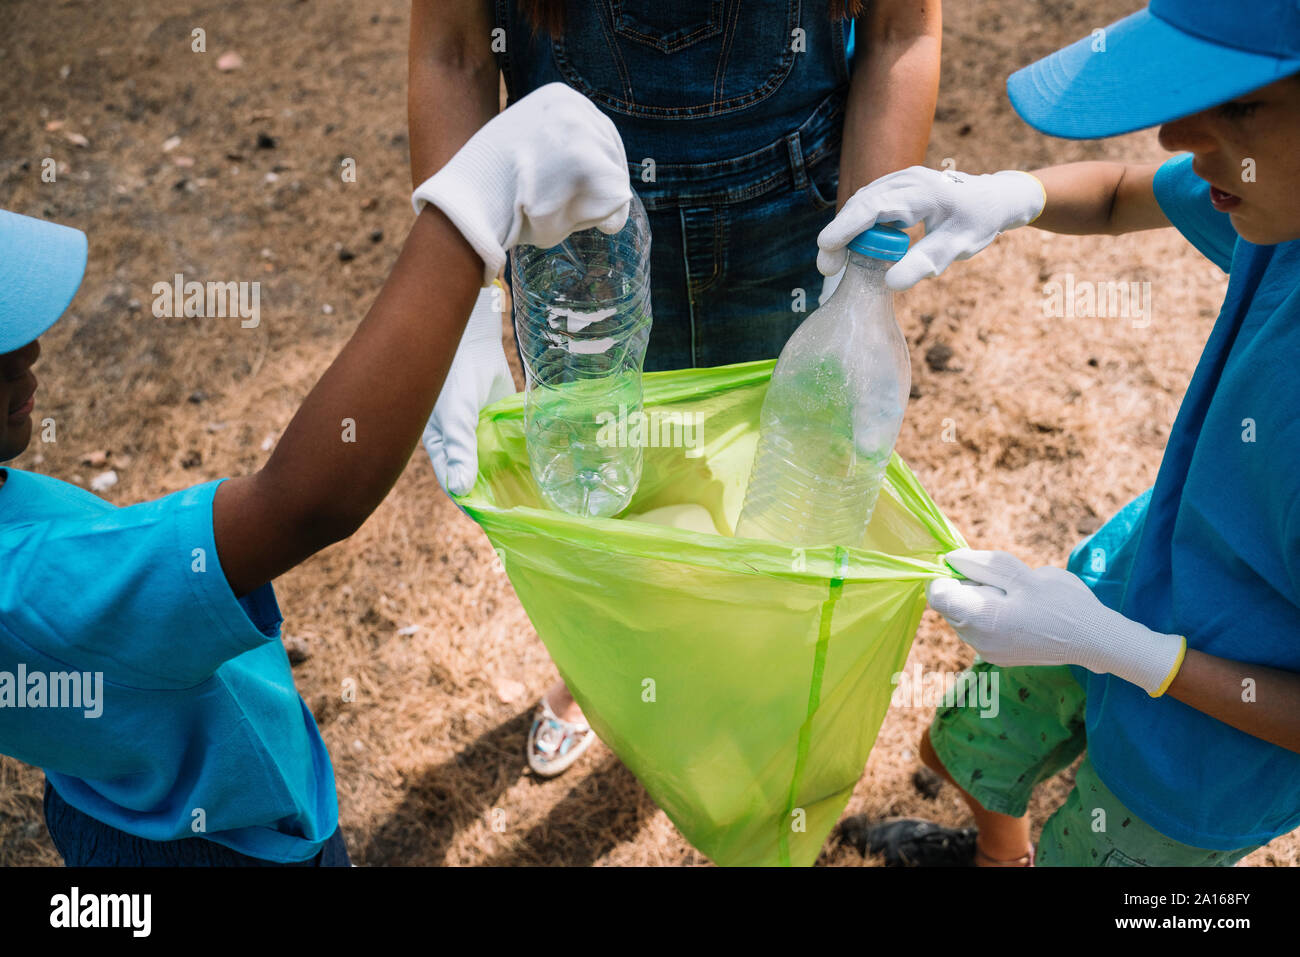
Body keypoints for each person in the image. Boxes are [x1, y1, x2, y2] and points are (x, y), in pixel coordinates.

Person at [0, 83, 630, 865]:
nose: (30, 351)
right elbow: (303, 501)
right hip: (216, 841)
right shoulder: (21, 588)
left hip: (127, 790)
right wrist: (472, 214)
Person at [821, 0, 1300, 866]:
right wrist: (1005, 195)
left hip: (1199, 761)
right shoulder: (1278, 203)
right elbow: (1122, 193)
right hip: (1135, 578)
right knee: (970, 740)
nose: (1178, 135)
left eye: (1237, 104)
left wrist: (1135, 656)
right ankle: (996, 854)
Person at [411, 0, 942, 777]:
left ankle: (739, 678)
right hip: (575, 257)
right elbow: (453, 51)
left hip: (796, 233)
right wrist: (452, 301)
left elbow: (903, 29)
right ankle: (607, 676)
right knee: (602, 493)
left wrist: (865, 269)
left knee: (767, 491)